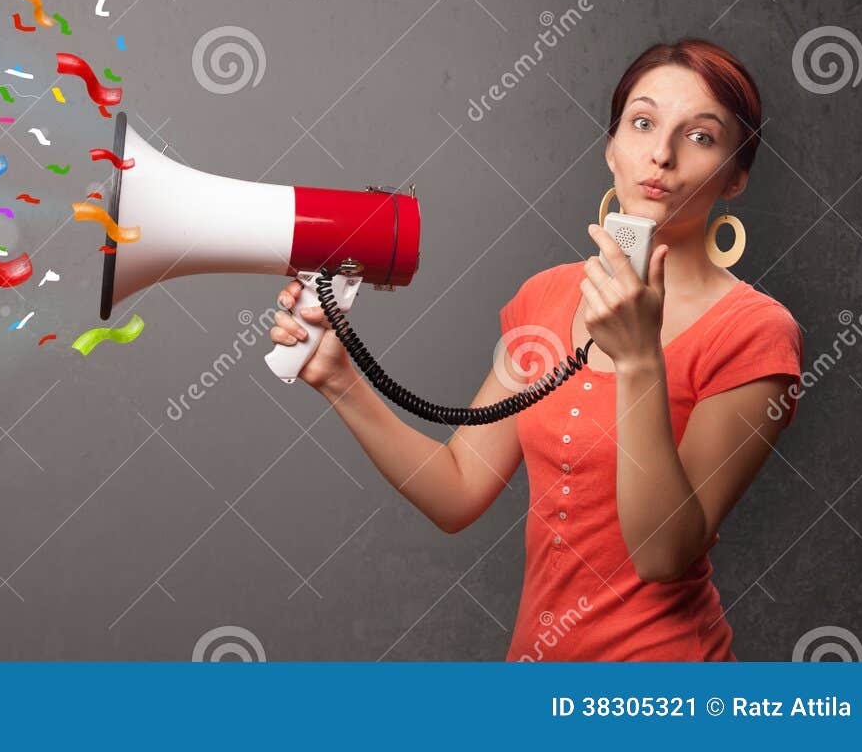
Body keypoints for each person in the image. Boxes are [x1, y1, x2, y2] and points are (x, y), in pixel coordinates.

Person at [269, 39, 804, 660]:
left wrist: (638, 361)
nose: (661, 154)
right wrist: (340, 380)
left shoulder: (755, 332)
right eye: (642, 123)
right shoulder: (545, 296)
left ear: (736, 176)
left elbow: (662, 554)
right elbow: (459, 490)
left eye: (700, 136)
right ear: (611, 146)